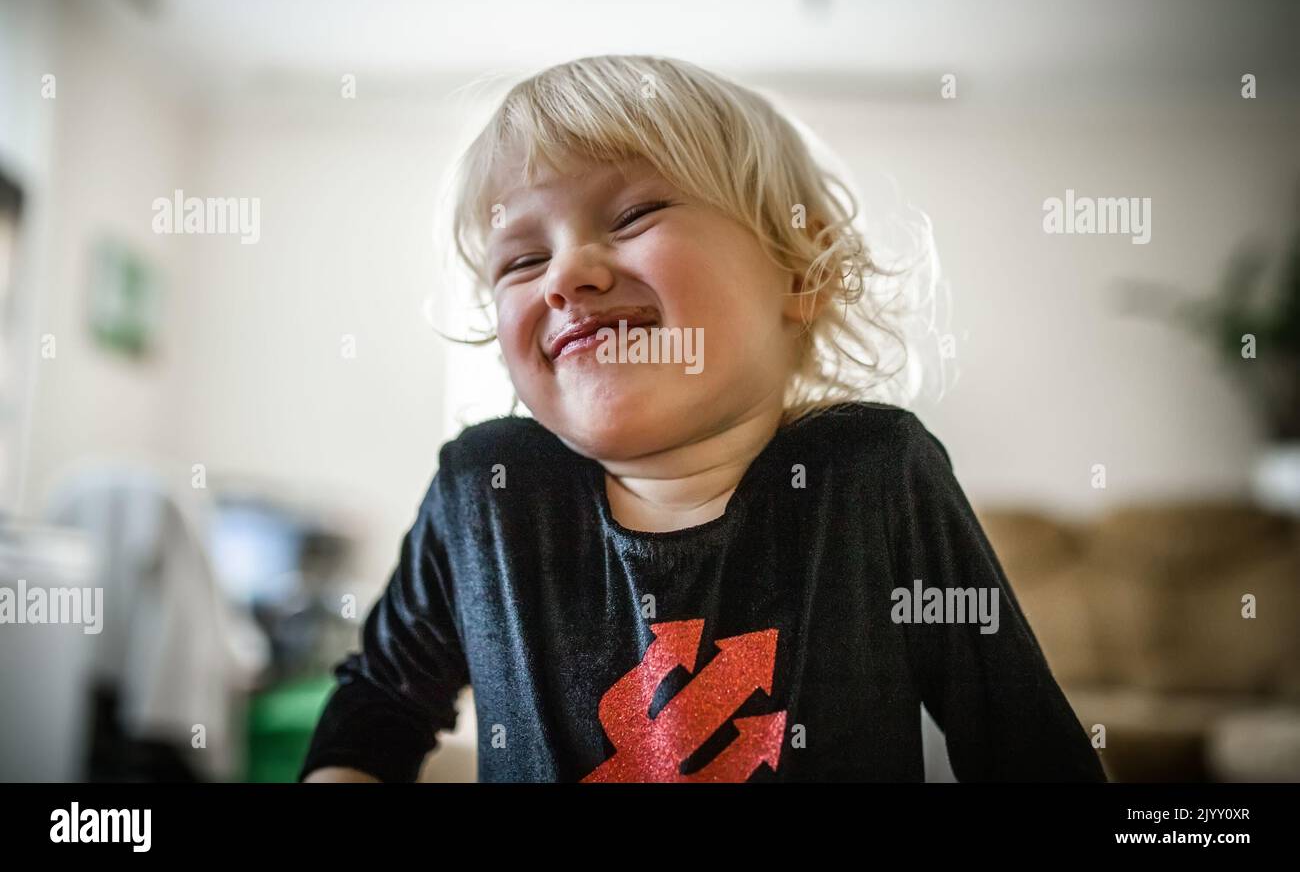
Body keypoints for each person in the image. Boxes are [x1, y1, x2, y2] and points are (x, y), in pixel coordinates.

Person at [300, 54, 1107, 782]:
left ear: (801, 271)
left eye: (631, 216)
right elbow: (379, 704)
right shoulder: (489, 491)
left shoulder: (871, 474)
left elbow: (1025, 743)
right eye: (522, 260)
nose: (567, 276)